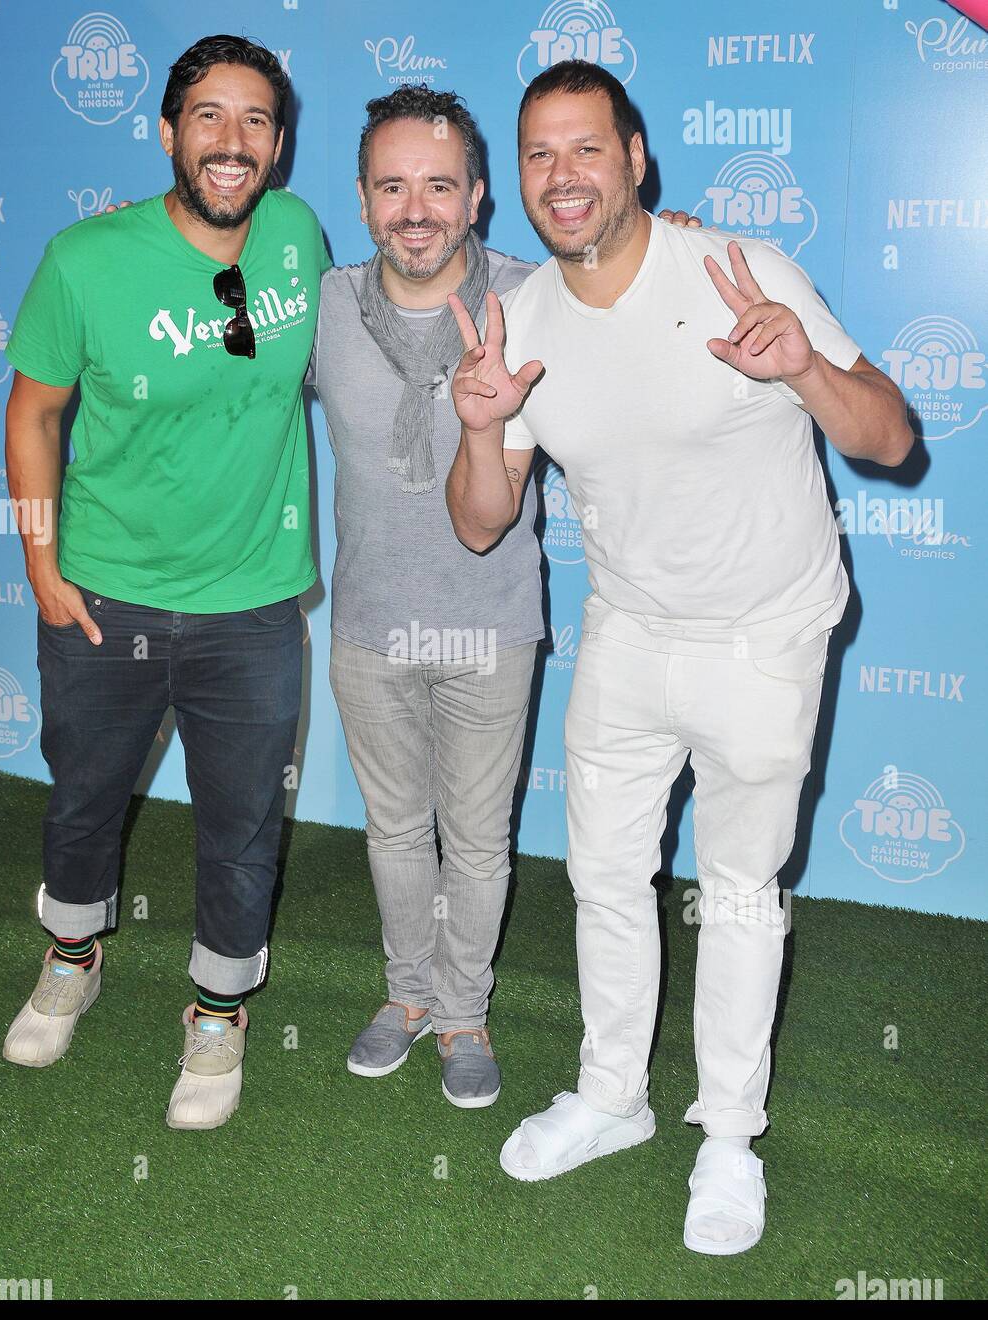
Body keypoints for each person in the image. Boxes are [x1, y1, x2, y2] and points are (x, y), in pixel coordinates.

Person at [445, 60, 912, 1250]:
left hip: (764, 638)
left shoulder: (736, 271)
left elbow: (890, 437)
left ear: (635, 157)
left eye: (586, 148)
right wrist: (482, 427)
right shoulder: (520, 319)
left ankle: (724, 1139)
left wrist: (800, 364)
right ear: (516, 181)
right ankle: (611, 1099)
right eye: (540, 154)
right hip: (627, 633)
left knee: (741, 892)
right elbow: (481, 520)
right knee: (603, 875)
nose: (564, 175)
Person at [311, 87, 700, 1108]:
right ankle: (405, 996)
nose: (415, 208)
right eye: (391, 186)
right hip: (366, 625)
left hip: (490, 627)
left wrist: (684, 246)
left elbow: (644, 280)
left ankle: (465, 1011)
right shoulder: (323, 307)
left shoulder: (535, 297)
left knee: (478, 841)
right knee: (395, 832)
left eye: (438, 185)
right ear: (360, 200)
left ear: (477, 197)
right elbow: (218, 371)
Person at [1, 35, 329, 1132]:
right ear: (167, 132)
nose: (231, 143)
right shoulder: (85, 260)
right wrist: (42, 559)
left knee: (240, 823)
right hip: (106, 595)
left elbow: (418, 277)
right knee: (85, 801)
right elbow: (34, 410)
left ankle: (219, 1012)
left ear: (278, 144)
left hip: (253, 605)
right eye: (208, 117)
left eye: (254, 122)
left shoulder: (294, 237)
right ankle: (72, 954)